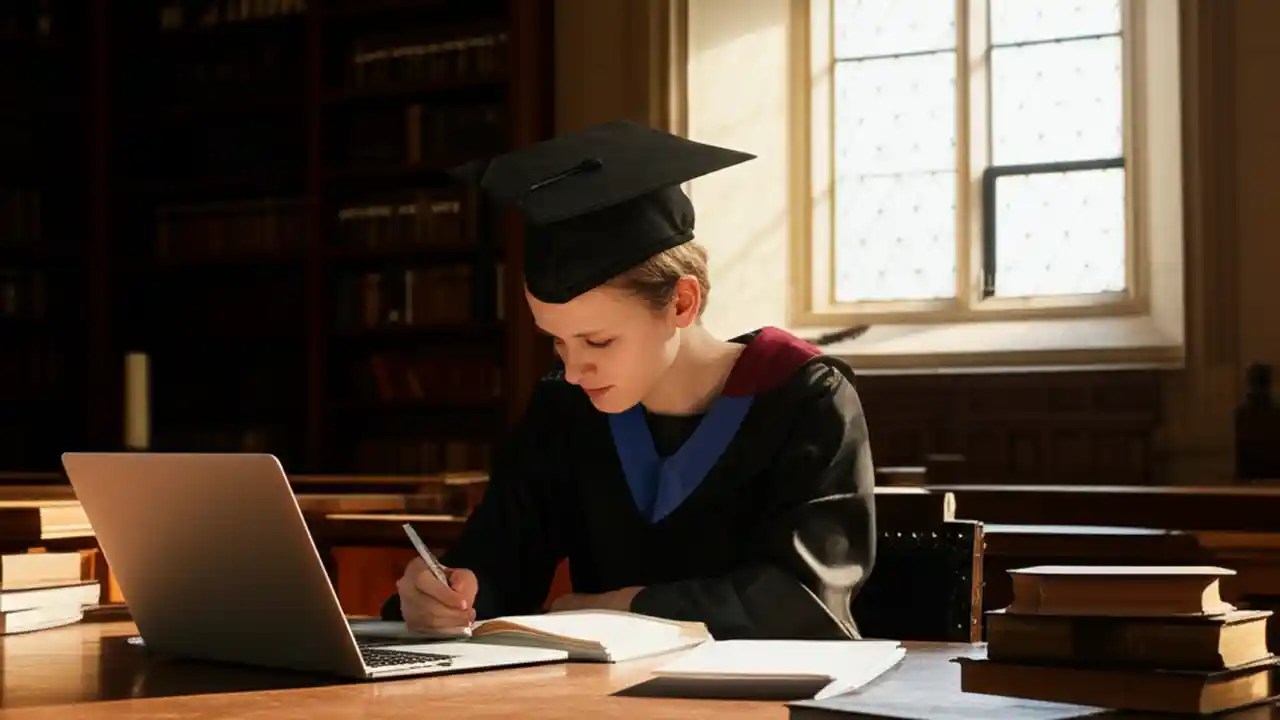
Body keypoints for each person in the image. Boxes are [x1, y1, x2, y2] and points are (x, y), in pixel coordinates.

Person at [381, 120, 876, 640]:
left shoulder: (804, 399)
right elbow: (501, 564)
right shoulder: (565, 410)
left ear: (683, 303)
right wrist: (443, 594)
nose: (573, 370)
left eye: (598, 342)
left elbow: (807, 601)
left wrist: (624, 604)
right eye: (556, 341)